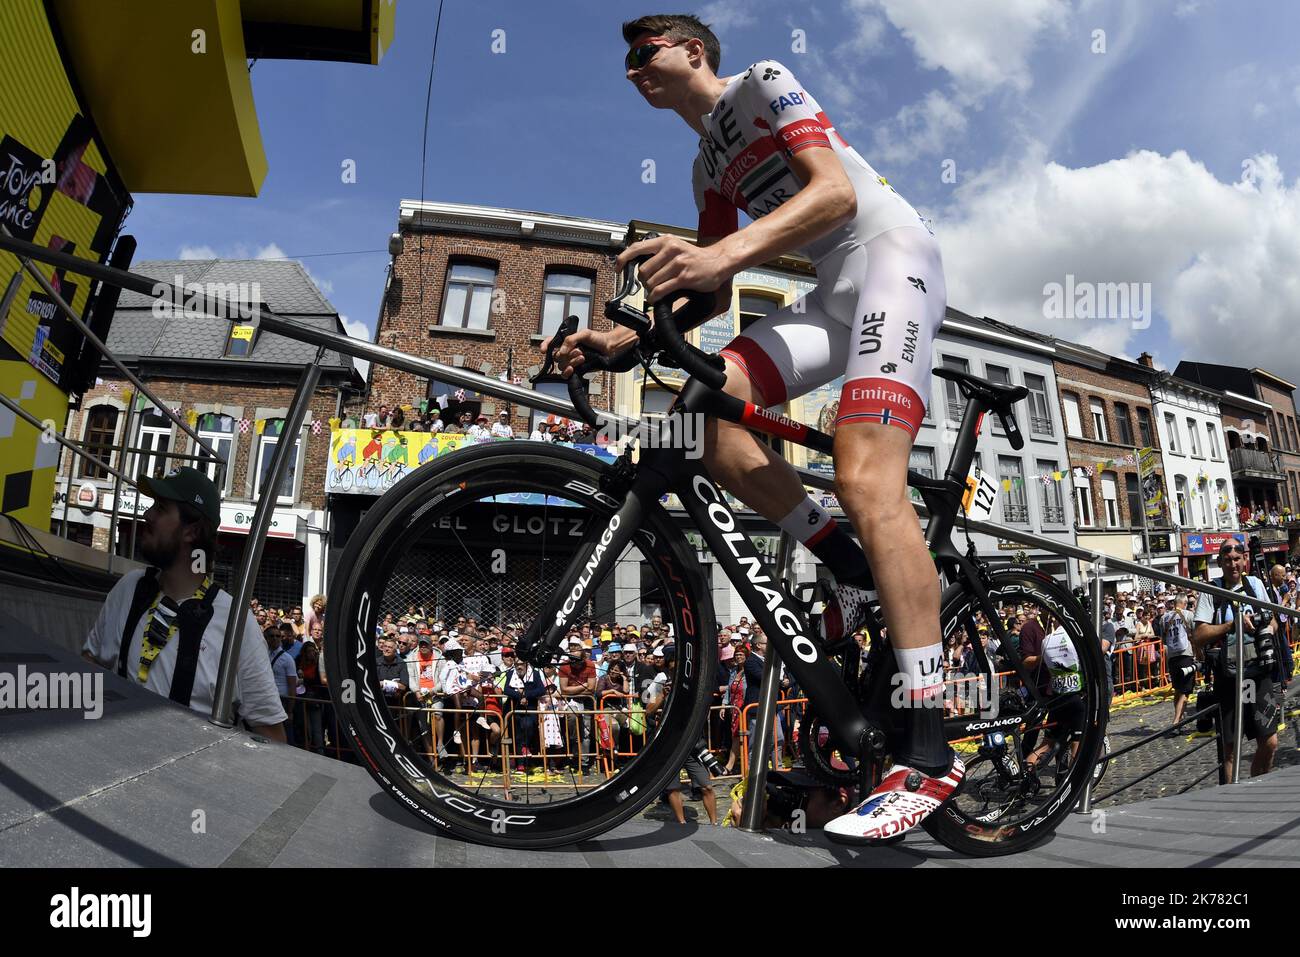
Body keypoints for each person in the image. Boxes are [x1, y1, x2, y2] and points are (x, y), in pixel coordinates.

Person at [82, 468, 286, 741]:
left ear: (191, 531)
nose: (148, 515)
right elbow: (89, 664)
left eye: (161, 508)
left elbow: (271, 735)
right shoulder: (128, 589)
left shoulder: (235, 622)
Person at [1192, 541, 1279, 783]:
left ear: (1245, 560)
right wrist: (1232, 625)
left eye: (1237, 559)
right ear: (1220, 562)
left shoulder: (1255, 585)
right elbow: (1199, 636)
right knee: (1230, 748)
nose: (1233, 564)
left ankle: (1258, 785)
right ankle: (1231, 796)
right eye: (1227, 559)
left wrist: (1267, 630)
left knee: (1270, 741)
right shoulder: (1212, 591)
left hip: (1257, 673)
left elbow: (1273, 620)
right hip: (1229, 677)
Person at [1162, 594, 1196, 733]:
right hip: (1185, 655)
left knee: (1178, 689)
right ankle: (1176, 722)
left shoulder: (1164, 618)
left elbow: (1163, 638)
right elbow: (1195, 634)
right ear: (1184, 603)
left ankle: (1179, 721)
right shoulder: (1188, 615)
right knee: (1185, 690)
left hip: (1172, 656)